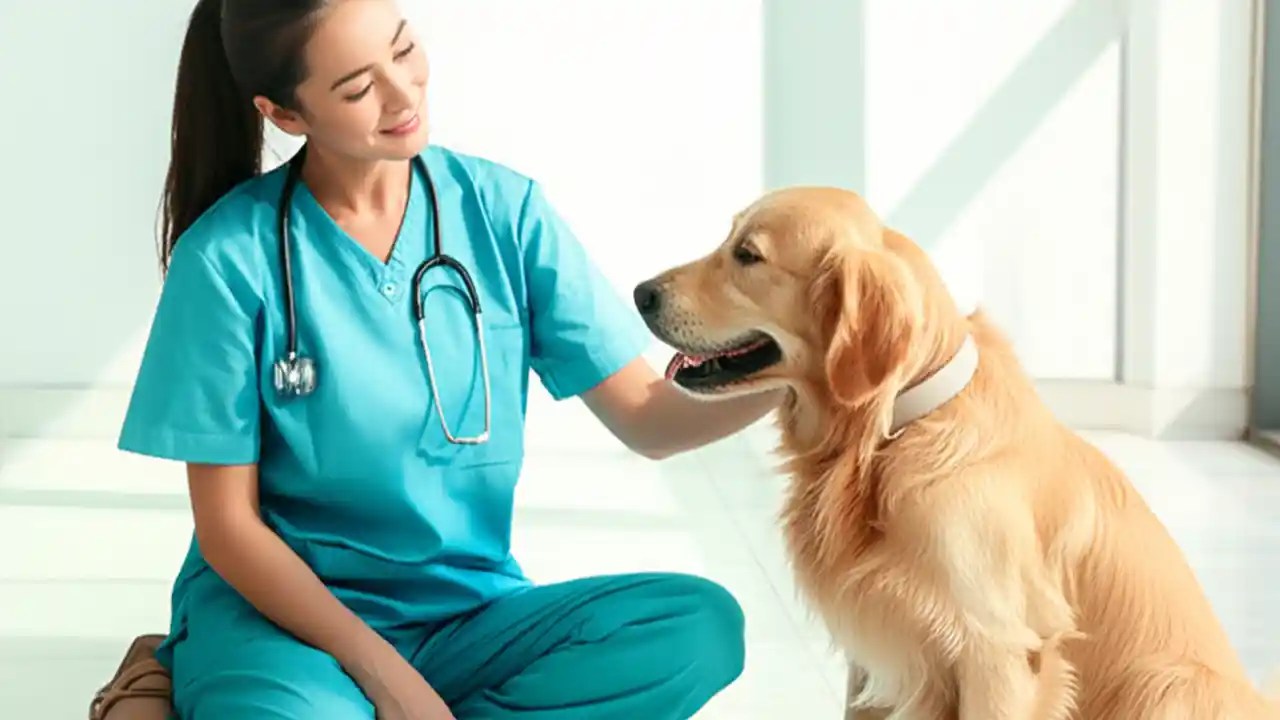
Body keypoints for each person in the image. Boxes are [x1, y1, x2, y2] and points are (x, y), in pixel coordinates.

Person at [116, 1, 782, 718]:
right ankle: (186, 672)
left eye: (403, 51)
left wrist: (808, 371)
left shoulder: (503, 214)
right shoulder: (227, 260)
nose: (403, 94)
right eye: (356, 88)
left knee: (695, 628)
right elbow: (229, 531)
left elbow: (650, 420)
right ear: (285, 114)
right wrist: (384, 675)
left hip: (465, 616)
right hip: (286, 625)